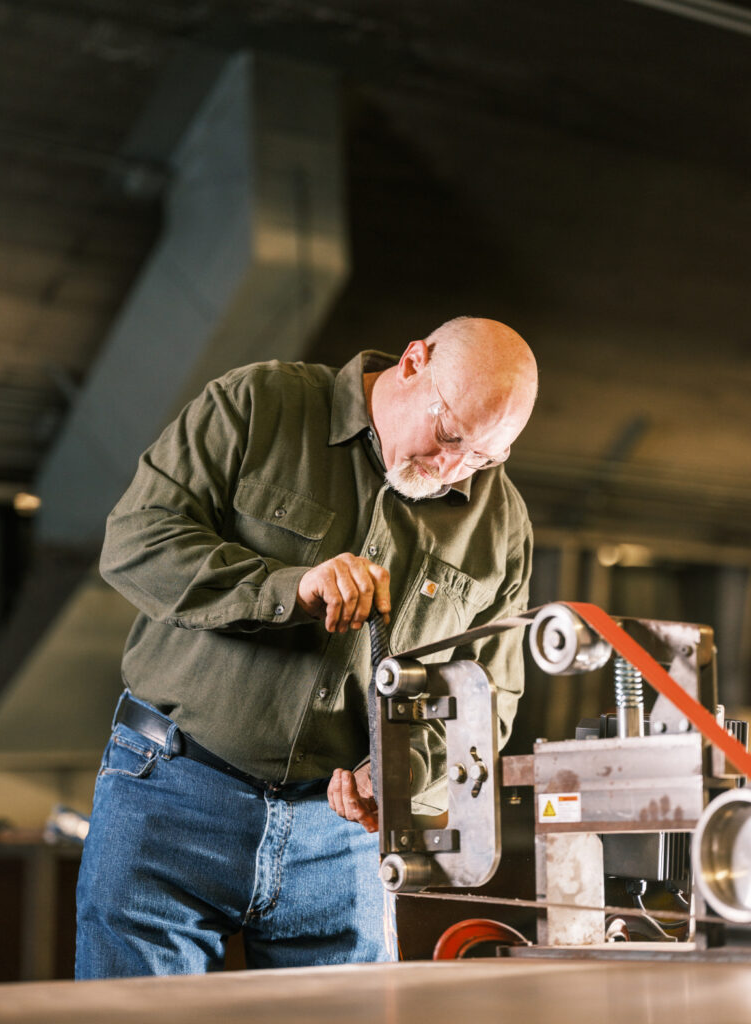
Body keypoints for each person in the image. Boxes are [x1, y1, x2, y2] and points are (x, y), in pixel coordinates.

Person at [75, 315, 538, 978]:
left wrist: (405, 771)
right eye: (448, 435)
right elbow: (137, 544)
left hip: (340, 839)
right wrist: (288, 589)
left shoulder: (502, 525)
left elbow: (488, 697)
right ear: (413, 362)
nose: (452, 469)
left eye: (486, 457)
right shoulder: (259, 404)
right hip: (172, 793)